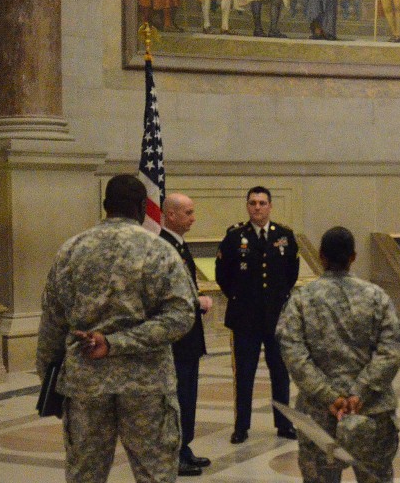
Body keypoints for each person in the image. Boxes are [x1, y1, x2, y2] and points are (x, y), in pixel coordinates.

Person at [35, 174, 197, 483]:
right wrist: (119, 342)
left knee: (85, 474)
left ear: (106, 206)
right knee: (155, 473)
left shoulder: (71, 251)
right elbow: (181, 316)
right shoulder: (160, 251)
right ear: (141, 207)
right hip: (146, 384)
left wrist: (52, 382)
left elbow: (52, 324)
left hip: (86, 383)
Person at [277, 226, 400, 483]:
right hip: (371, 411)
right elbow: (391, 351)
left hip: (320, 414)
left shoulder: (301, 300)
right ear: (353, 257)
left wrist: (328, 394)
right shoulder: (376, 296)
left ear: (321, 257)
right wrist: (360, 391)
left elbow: (293, 353)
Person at [215, 186, 299, 443]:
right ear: (247, 206)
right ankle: (241, 426)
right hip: (245, 319)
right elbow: (223, 275)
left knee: (280, 372)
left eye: (262, 203)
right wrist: (241, 299)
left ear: (270, 206)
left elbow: (291, 273)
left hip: (276, 317)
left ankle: (284, 423)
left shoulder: (284, 235)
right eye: (253, 203)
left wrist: (277, 299)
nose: (258, 207)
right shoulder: (234, 237)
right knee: (244, 373)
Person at [159, 193, 214, 476]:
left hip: (188, 337)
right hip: (176, 340)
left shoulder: (178, 245)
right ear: (170, 215)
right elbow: (167, 297)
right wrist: (197, 303)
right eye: (188, 213)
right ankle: (174, 453)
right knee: (177, 398)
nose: (193, 218)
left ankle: (184, 447)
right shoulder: (163, 247)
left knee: (188, 396)